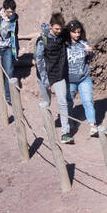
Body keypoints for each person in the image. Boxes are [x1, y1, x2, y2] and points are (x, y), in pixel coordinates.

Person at [38, 13, 73, 142]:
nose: (59, 31)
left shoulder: (63, 34)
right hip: (44, 75)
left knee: (62, 102)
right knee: (47, 102)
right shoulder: (42, 39)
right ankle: (47, 125)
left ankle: (65, 132)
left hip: (59, 74)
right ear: (51, 26)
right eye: (56, 29)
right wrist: (45, 80)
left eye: (61, 29)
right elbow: (39, 60)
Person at [65, 21, 99, 137]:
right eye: (74, 32)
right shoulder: (64, 45)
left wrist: (91, 52)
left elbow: (91, 58)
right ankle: (69, 123)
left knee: (88, 101)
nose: (77, 34)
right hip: (70, 80)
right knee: (69, 103)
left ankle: (92, 126)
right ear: (69, 32)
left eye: (79, 32)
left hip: (84, 78)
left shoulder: (84, 43)